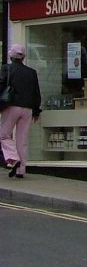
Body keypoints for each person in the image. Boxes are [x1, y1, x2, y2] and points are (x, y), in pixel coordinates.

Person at [0, 44, 43, 179]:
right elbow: (37, 93)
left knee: (4, 135)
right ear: (23, 57)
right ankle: (21, 170)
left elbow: (1, 85)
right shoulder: (31, 72)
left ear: (11, 55)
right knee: (22, 139)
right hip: (28, 109)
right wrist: (36, 110)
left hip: (11, 106)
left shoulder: (6, 68)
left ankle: (13, 158)